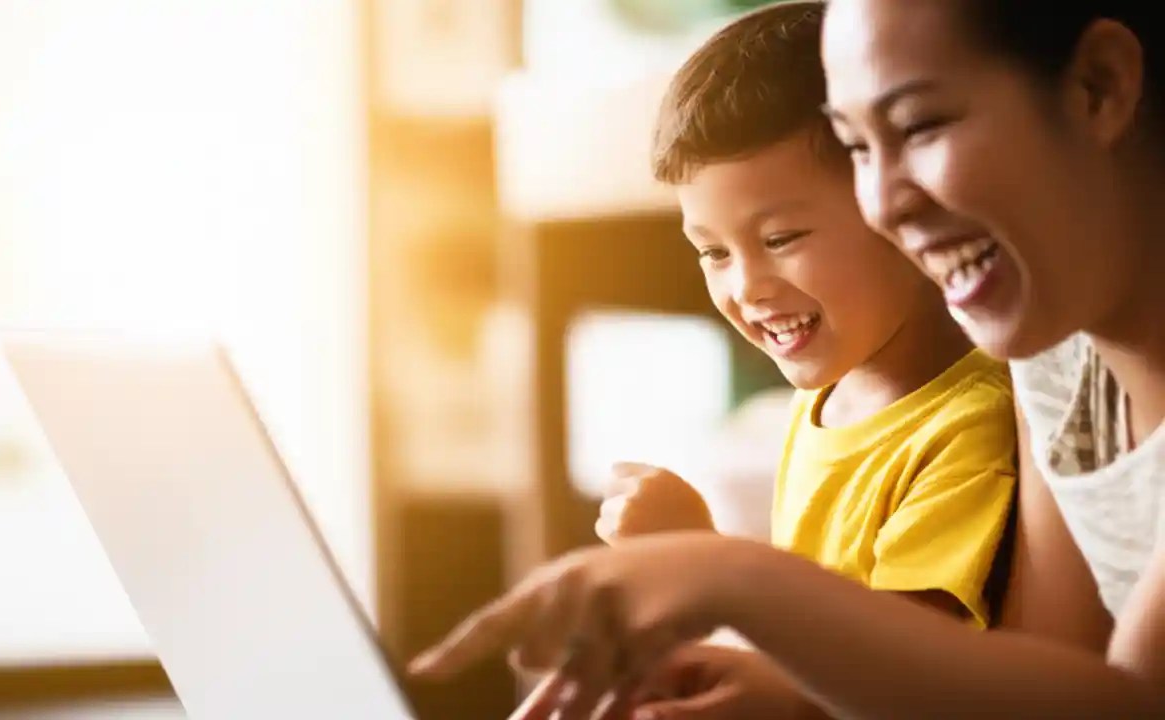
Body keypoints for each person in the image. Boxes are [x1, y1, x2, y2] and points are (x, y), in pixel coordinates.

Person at [408, 1, 1165, 718]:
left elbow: (1124, 704)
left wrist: (727, 577)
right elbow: (1041, 685)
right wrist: (769, 668)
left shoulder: (986, 399)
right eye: (858, 146)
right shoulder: (1055, 365)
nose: (883, 205)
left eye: (921, 125)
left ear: (1098, 87)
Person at [588, 3, 1015, 715]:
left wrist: (707, 563)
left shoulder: (966, 427)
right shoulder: (828, 401)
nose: (746, 286)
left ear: (892, 202)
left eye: (782, 237)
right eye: (714, 253)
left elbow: (902, 679)